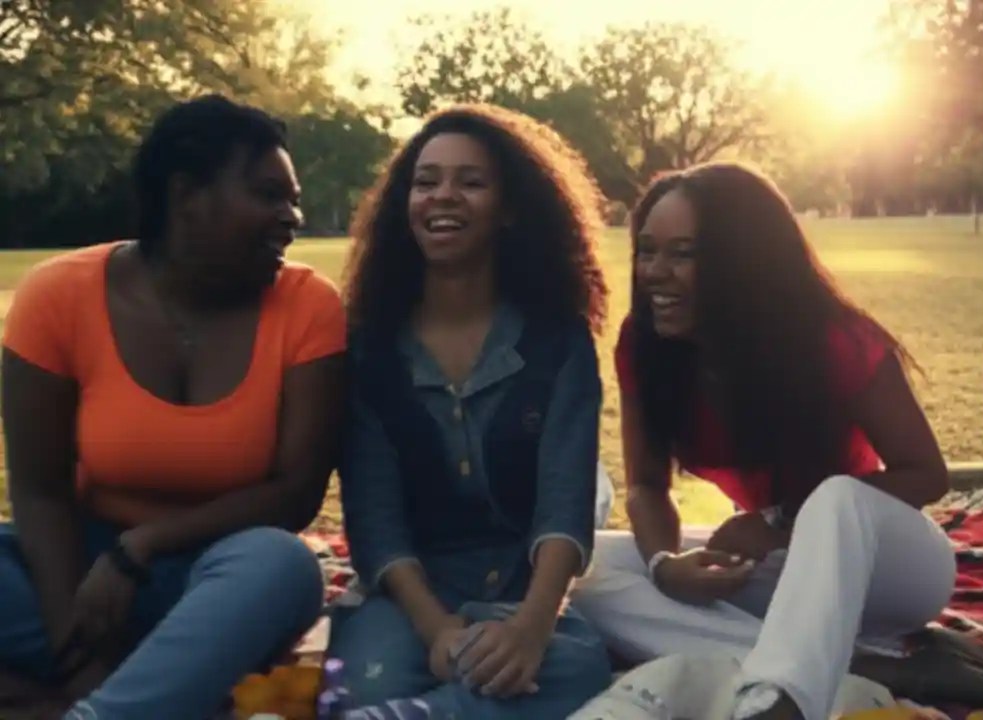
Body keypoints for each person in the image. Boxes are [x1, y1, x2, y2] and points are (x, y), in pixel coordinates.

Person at [569, 162, 957, 720]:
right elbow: (647, 485)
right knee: (583, 567)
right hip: (788, 577)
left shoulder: (835, 340)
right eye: (646, 250)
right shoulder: (644, 344)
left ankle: (778, 705)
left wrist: (775, 523)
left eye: (682, 254)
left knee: (837, 497)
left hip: (890, 571)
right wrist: (662, 564)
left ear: (742, 262)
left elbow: (926, 474)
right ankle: (853, 671)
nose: (654, 272)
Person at [0, 95, 346, 720]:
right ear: (187, 195)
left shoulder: (307, 306)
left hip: (224, 583)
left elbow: (296, 493)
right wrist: (79, 656)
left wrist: (144, 545)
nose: (291, 216)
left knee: (284, 563)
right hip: (82, 578)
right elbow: (40, 492)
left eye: (291, 198)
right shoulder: (58, 295)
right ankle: (149, 693)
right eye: (269, 195)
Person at [328, 103, 613, 719]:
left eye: (471, 182)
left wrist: (534, 629)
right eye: (426, 182)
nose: (443, 197)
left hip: (522, 589)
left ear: (510, 208)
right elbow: (374, 517)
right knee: (364, 683)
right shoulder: (369, 351)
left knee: (577, 665)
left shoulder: (558, 341)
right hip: (413, 597)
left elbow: (565, 500)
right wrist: (437, 632)